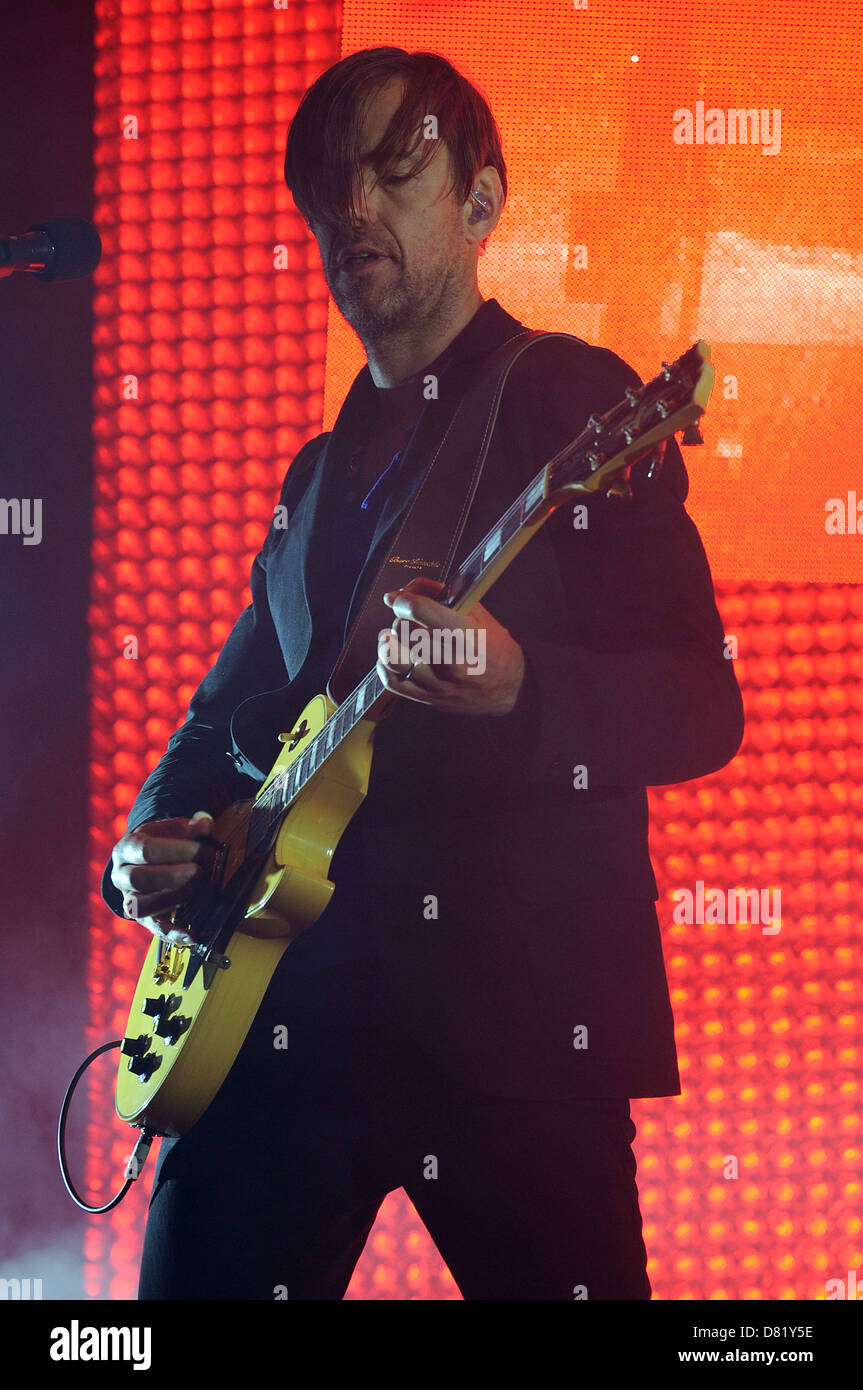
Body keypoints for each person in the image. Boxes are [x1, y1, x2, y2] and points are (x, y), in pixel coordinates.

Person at [104, 47, 744, 1300]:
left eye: (396, 174)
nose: (353, 213)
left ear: (482, 201)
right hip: (280, 1025)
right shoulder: (314, 475)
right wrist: (141, 848)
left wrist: (522, 689)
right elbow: (221, 717)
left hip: (511, 1037)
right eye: (331, 188)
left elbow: (699, 701)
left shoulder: (576, 402)